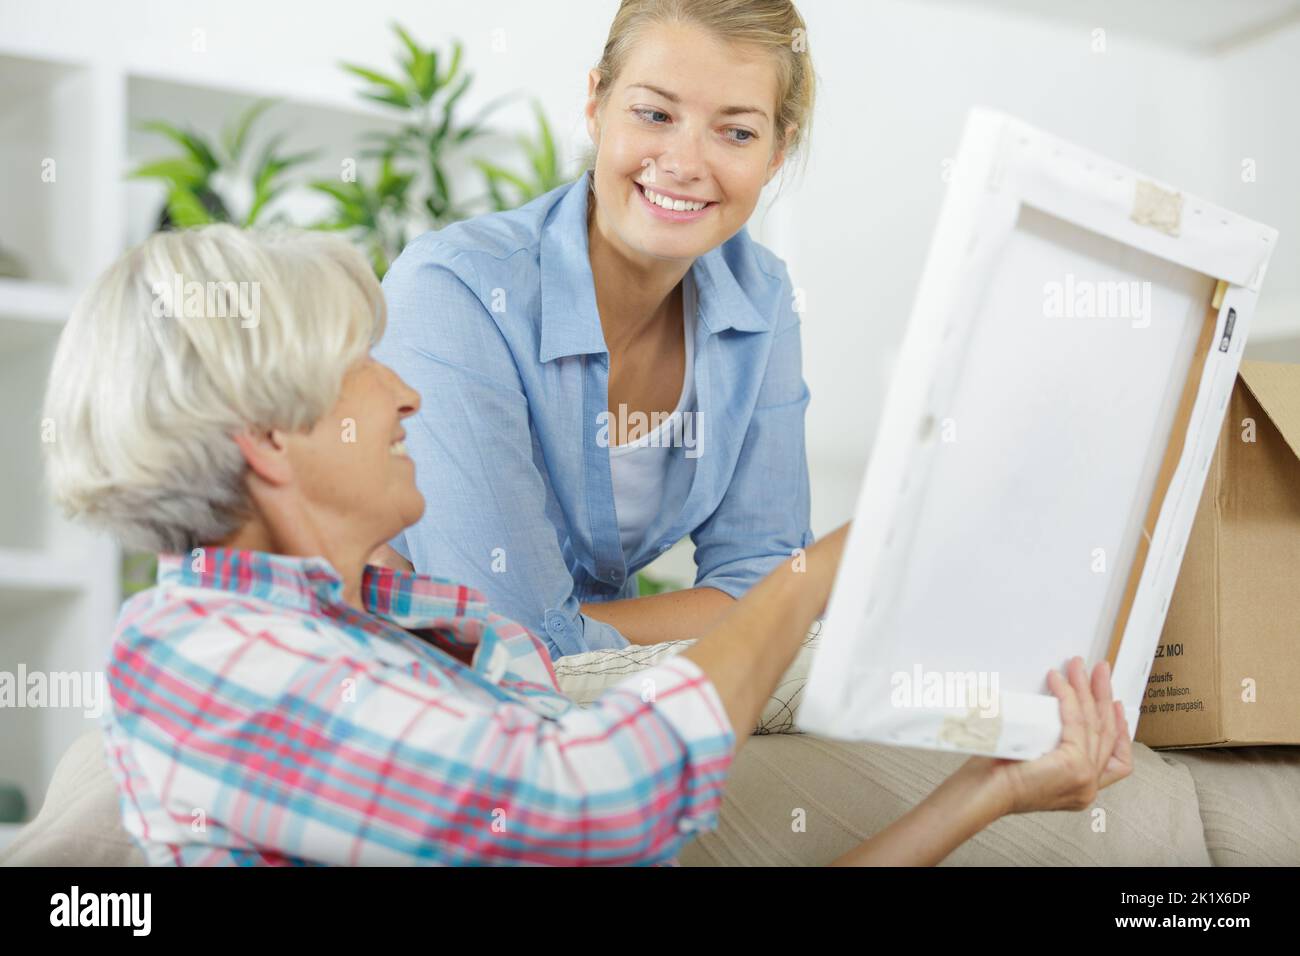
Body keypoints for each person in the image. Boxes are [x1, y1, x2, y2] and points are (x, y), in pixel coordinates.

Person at [43, 226, 1133, 866]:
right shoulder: (191, 650)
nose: (405, 389)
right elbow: (585, 799)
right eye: (358, 362)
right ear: (268, 438)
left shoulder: (418, 630)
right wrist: (831, 561)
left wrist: (989, 789)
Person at [373, 0, 820, 657]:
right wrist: (564, 634)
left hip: (584, 704)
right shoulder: (456, 292)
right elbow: (510, 646)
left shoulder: (761, 298)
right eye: (656, 114)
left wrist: (567, 633)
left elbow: (768, 588)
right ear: (596, 103)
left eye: (737, 132)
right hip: (394, 691)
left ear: (777, 153)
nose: (684, 162)